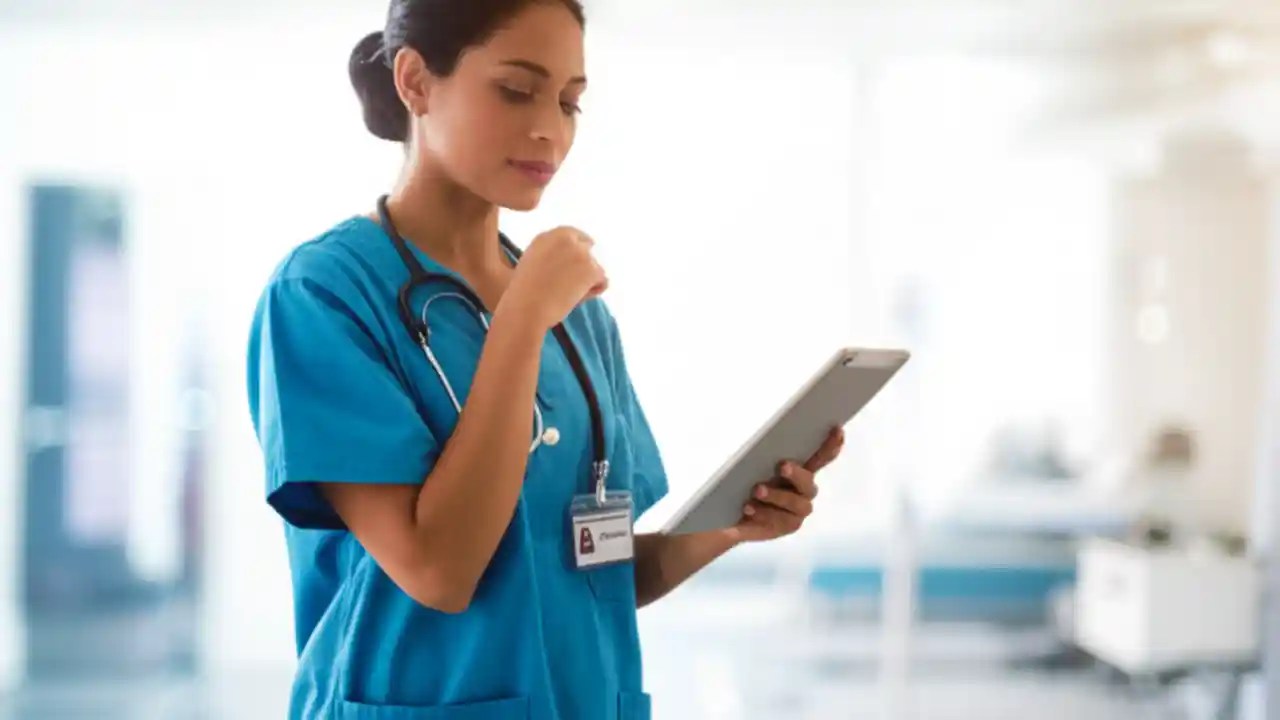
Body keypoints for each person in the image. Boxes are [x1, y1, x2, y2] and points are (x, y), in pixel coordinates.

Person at [245, 1, 845, 718]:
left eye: (570, 103)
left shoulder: (576, 312)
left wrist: (731, 524)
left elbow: (592, 567)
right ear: (415, 81)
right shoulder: (325, 294)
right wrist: (521, 316)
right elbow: (439, 570)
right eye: (514, 89)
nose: (549, 131)